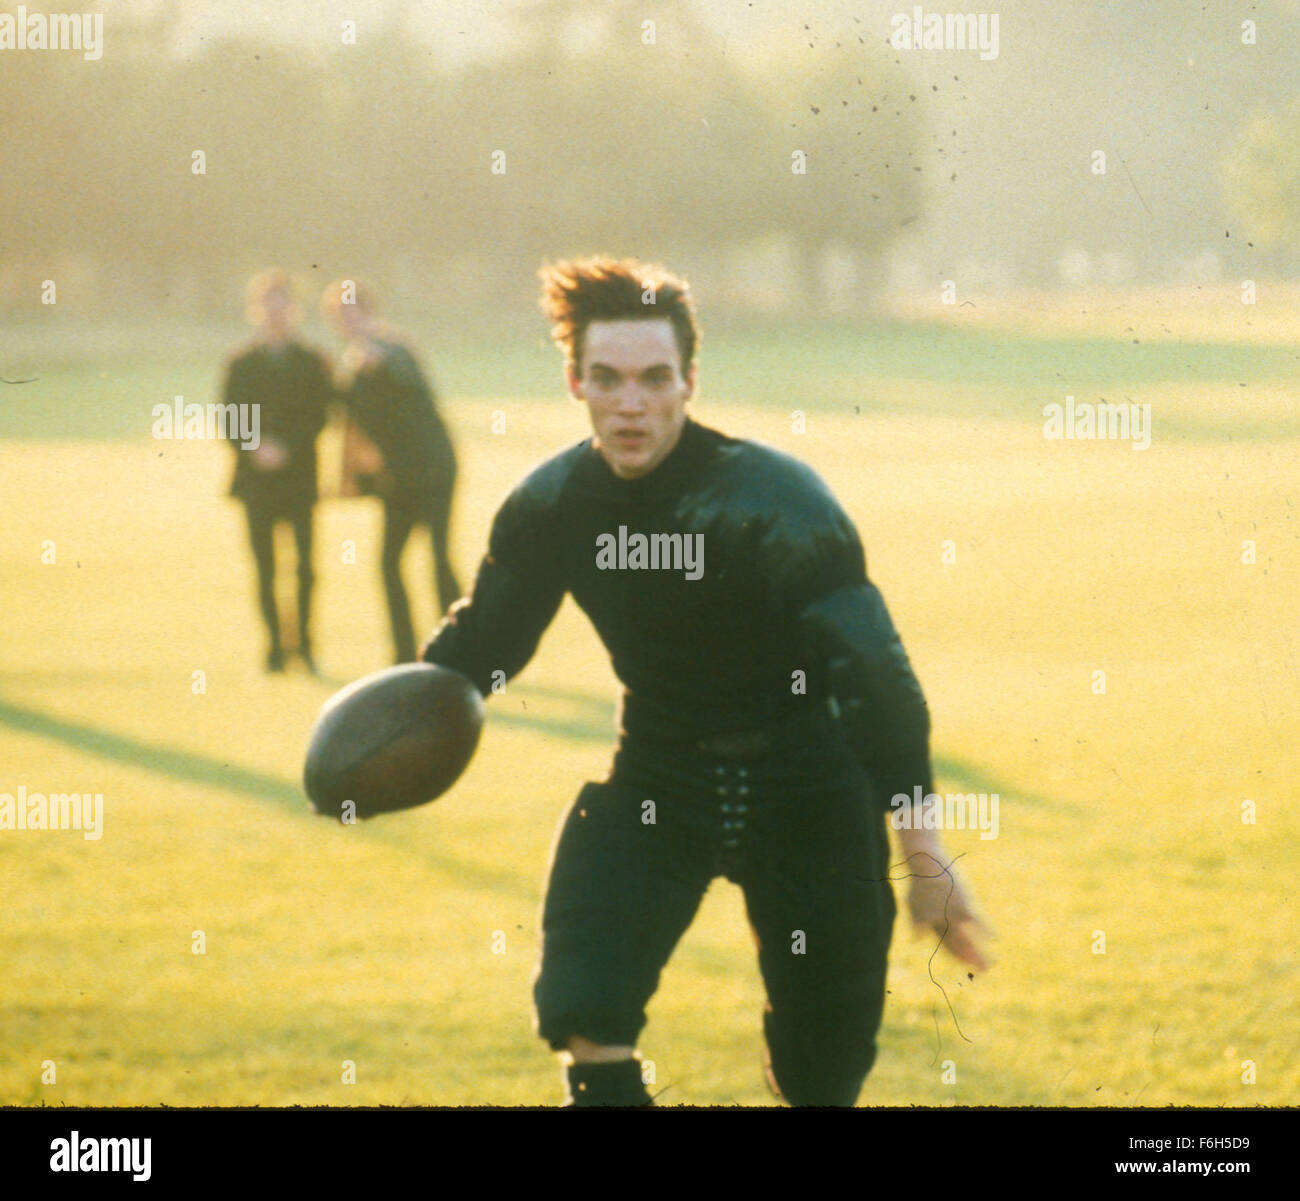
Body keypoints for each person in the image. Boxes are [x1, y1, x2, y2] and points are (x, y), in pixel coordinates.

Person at [420, 257, 989, 1107]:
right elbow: (482, 646)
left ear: (690, 379)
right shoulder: (552, 506)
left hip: (808, 785)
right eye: (606, 378)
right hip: (659, 778)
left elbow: (874, 676)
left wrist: (925, 850)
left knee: (821, 1073)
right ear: (574, 381)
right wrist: (389, 722)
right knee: (584, 1007)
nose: (630, 402)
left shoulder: (776, 501)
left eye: (655, 378)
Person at [321, 281, 462, 663]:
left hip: (433, 469)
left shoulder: (396, 350)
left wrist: (374, 356)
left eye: (354, 312)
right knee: (389, 563)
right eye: (340, 315)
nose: (348, 321)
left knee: (439, 558)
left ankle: (460, 647)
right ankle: (403, 655)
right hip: (396, 479)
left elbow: (402, 375)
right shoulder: (351, 365)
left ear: (368, 312)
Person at [223, 269, 333, 673]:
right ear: (256, 311)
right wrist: (256, 447)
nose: (275, 314)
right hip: (256, 482)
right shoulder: (241, 363)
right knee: (265, 567)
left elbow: (321, 413)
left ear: (294, 310)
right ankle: (274, 647)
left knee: (305, 566)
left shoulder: (310, 361)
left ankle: (304, 646)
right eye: (268, 306)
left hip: (300, 476)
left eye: (282, 305)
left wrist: (287, 447)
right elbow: (231, 418)